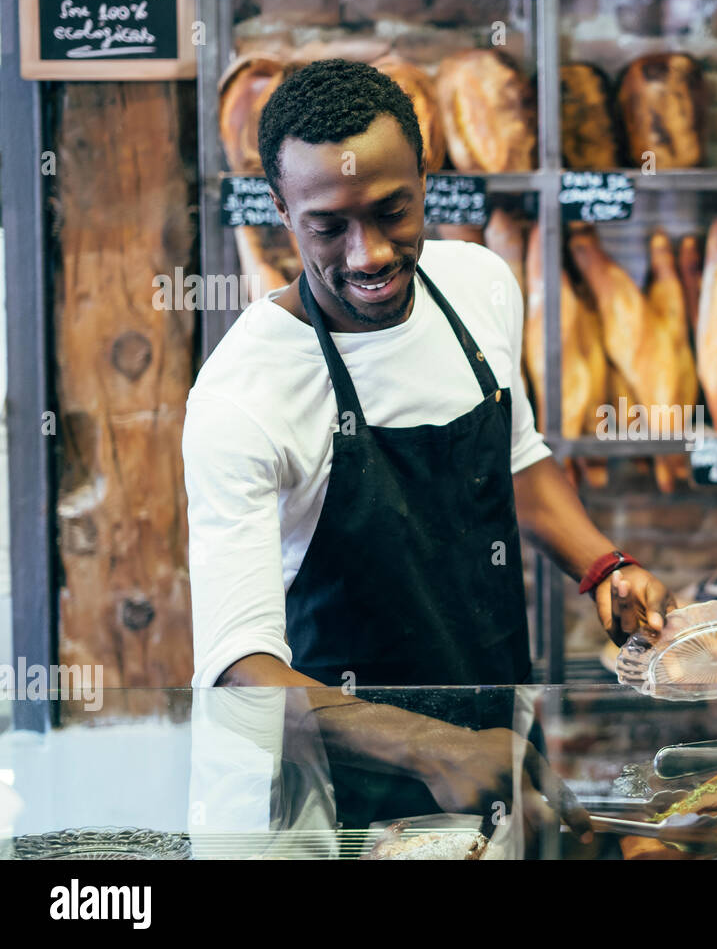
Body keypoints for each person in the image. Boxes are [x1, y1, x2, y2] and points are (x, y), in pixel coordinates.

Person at [183, 59, 676, 837]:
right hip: (345, 793)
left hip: (493, 735)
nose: (368, 253)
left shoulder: (481, 286)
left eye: (392, 211)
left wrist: (602, 566)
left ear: (427, 175)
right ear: (281, 210)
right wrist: (432, 748)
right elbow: (239, 674)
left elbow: (516, 460)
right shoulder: (243, 396)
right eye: (329, 225)